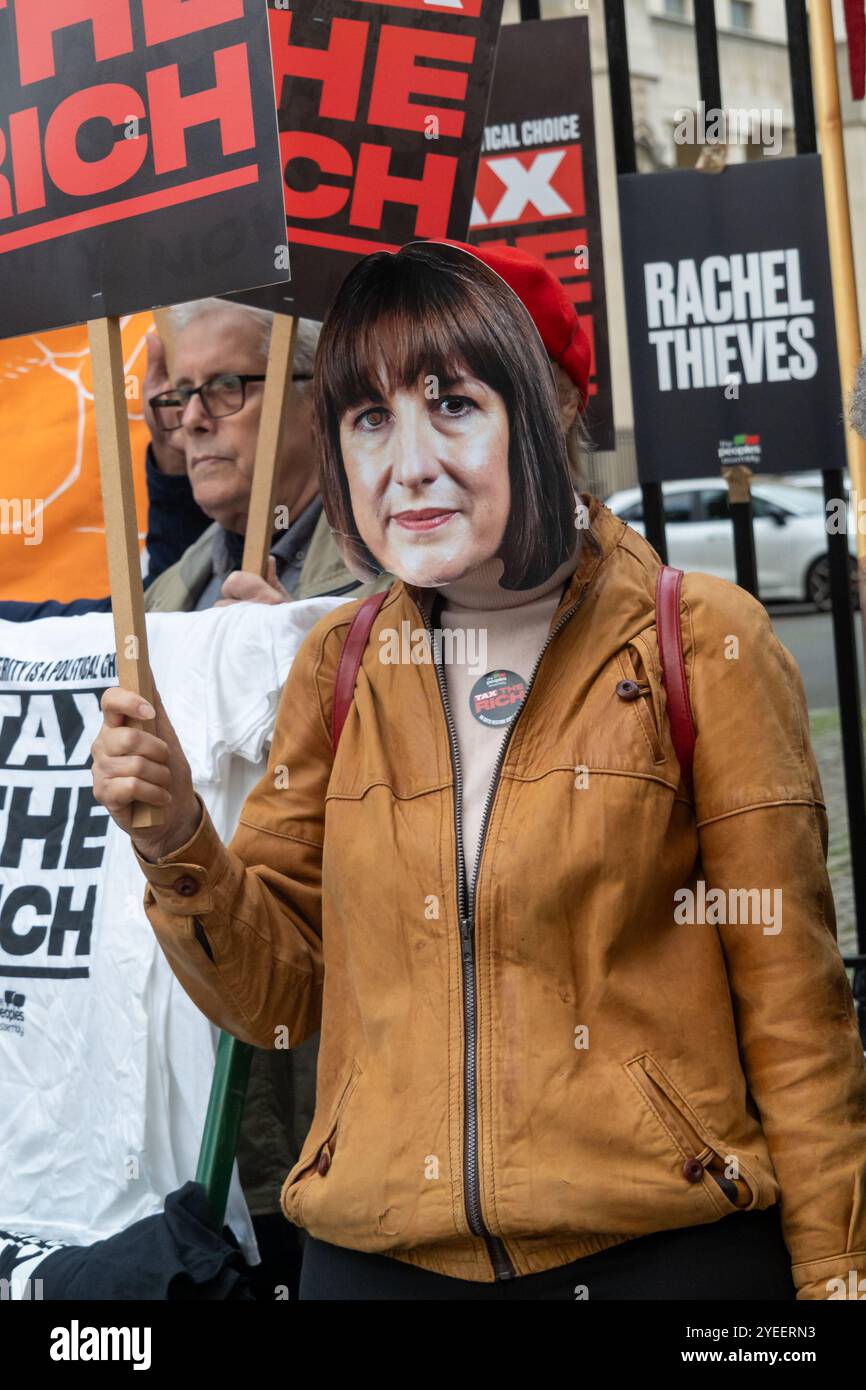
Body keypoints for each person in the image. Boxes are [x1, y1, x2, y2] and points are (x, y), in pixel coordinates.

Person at [90, 240, 866, 1300]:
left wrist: (832, 1285)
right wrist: (177, 838)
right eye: (367, 419)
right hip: (369, 1264)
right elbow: (275, 999)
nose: (405, 464)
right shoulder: (339, 665)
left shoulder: (701, 642)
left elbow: (798, 1022)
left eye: (451, 405)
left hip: (654, 1259)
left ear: (547, 411)